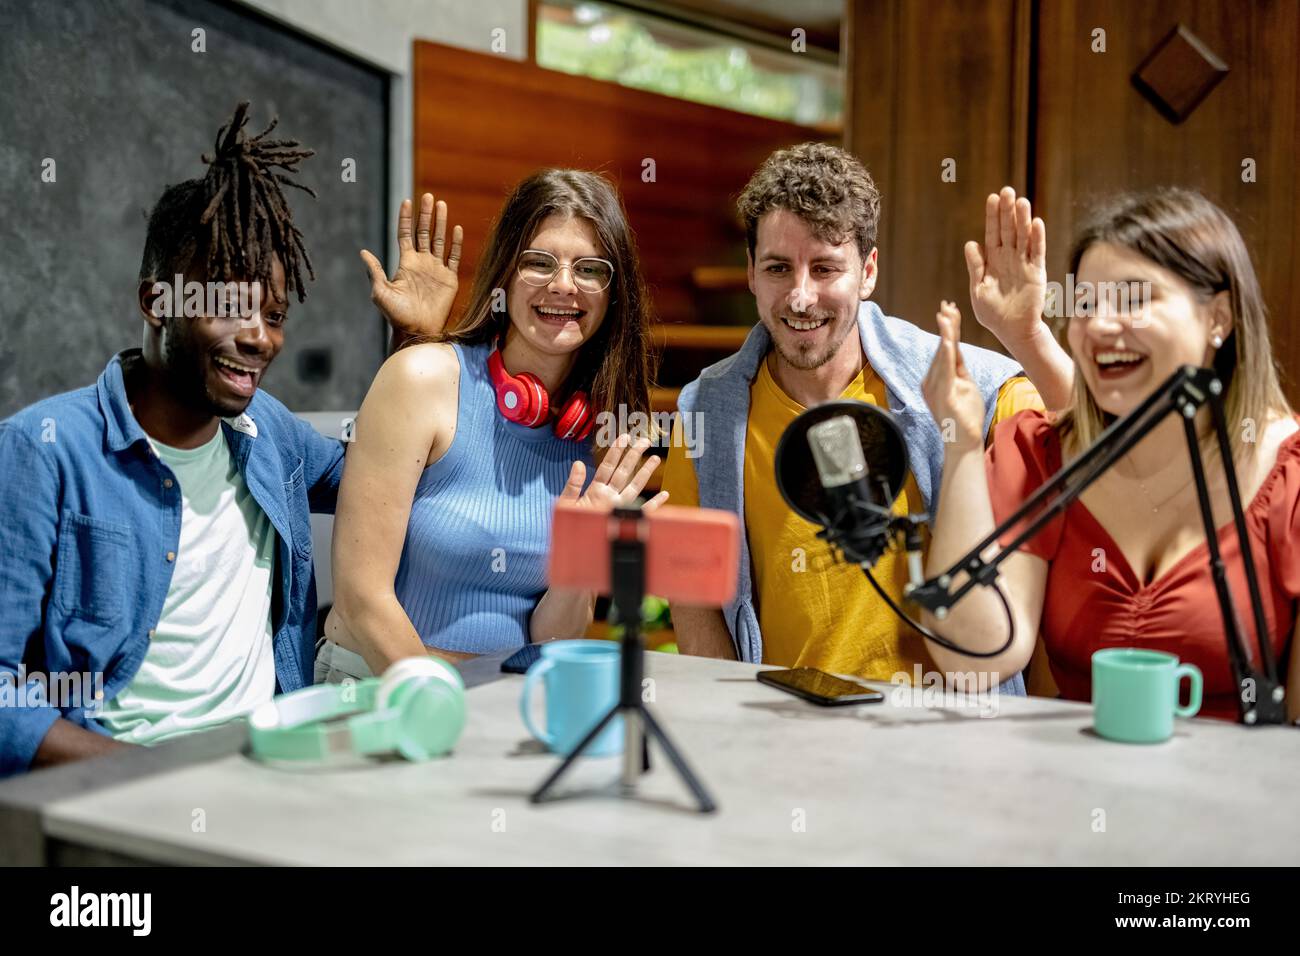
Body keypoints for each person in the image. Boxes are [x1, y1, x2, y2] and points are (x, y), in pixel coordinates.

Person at [0, 102, 454, 776]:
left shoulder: (269, 433)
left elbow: (388, 476)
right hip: (119, 791)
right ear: (158, 302)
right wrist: (147, 778)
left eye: (273, 314)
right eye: (228, 305)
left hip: (274, 766)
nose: (258, 337)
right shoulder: (43, 451)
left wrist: (416, 343)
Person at [661, 142, 1075, 687]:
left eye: (826, 268)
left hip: (946, 738)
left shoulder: (976, 388)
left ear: (868, 272)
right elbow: (696, 611)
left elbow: (1104, 446)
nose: (801, 297)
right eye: (779, 268)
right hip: (783, 732)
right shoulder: (705, 414)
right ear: (751, 274)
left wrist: (1029, 337)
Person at [921, 188, 1300, 721]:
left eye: (1133, 298)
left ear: (1219, 317)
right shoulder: (1040, 457)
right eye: (1086, 304)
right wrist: (959, 443)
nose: (1099, 325)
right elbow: (976, 660)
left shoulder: (1291, 481)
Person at [320, 169, 666, 680]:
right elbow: (359, 599)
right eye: (538, 263)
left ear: (612, 293)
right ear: (504, 273)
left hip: (508, 697)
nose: (564, 285)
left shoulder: (590, 435)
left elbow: (554, 637)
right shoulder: (421, 377)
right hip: (385, 688)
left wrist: (584, 555)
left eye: (590, 269)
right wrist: (447, 706)